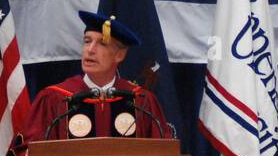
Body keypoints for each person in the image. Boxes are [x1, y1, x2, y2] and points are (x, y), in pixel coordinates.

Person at [24, 11, 172, 141]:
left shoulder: (141, 101)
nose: (90, 50)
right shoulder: (54, 99)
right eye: (87, 41)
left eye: (102, 44)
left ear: (120, 55)